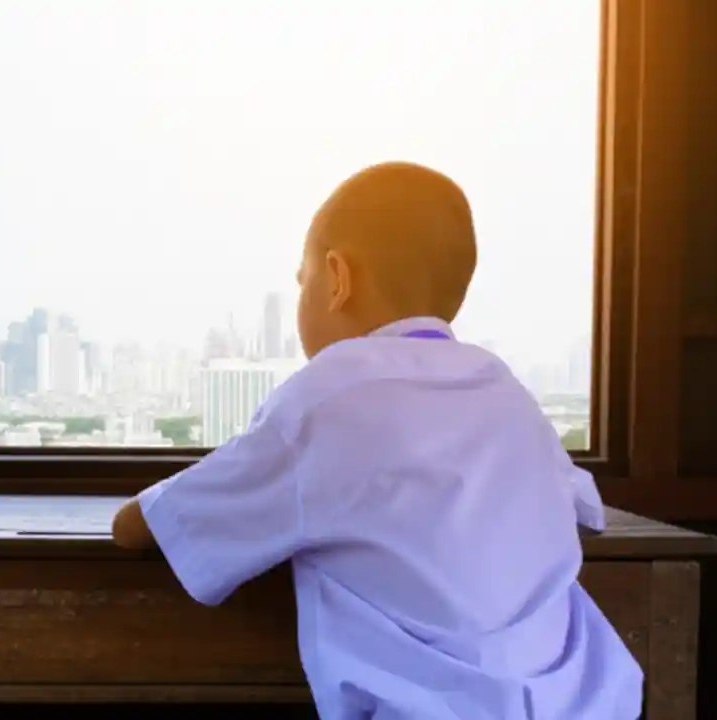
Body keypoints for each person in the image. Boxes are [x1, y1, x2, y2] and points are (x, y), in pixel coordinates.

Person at [111, 162, 642, 719]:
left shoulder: (328, 396)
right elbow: (583, 505)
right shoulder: (503, 386)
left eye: (304, 280)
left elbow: (153, 525)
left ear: (338, 278)